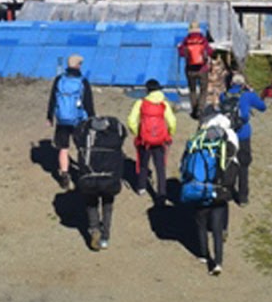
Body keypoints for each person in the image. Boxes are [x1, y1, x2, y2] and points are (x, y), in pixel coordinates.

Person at [180, 113, 238, 275]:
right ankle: (218, 261)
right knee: (217, 229)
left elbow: (184, 167)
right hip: (218, 193)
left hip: (199, 190)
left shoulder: (195, 144)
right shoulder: (226, 146)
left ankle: (204, 254)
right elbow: (233, 169)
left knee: (201, 225)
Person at [73, 115, 127, 250]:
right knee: (107, 205)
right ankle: (105, 237)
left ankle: (94, 228)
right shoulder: (115, 134)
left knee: (91, 203)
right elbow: (123, 136)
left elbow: (76, 139)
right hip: (110, 177)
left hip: (89, 177)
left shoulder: (85, 133)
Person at [47, 54, 95, 189]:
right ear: (78, 65)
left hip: (62, 119)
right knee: (82, 147)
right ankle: (82, 173)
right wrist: (92, 118)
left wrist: (50, 116)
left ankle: (64, 175)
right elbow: (88, 102)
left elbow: (53, 99)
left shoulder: (59, 80)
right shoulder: (83, 81)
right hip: (78, 119)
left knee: (63, 148)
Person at [126, 78, 177, 205]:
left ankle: (142, 187)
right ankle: (161, 193)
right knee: (160, 167)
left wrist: (137, 133)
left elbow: (131, 120)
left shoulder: (141, 103)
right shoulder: (164, 103)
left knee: (143, 163)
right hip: (160, 139)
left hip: (145, 139)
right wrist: (170, 134)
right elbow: (172, 121)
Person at [221, 73, 267, 206]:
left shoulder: (224, 95)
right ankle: (242, 197)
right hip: (243, 134)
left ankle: (227, 192)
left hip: (228, 134)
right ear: (243, 84)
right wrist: (252, 92)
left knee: (228, 163)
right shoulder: (247, 95)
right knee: (243, 165)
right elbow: (263, 107)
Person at [178, 21, 211, 118]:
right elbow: (209, 51)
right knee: (203, 90)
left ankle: (194, 109)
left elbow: (181, 53)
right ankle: (200, 109)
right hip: (202, 69)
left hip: (190, 69)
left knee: (192, 90)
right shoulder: (202, 39)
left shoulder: (186, 40)